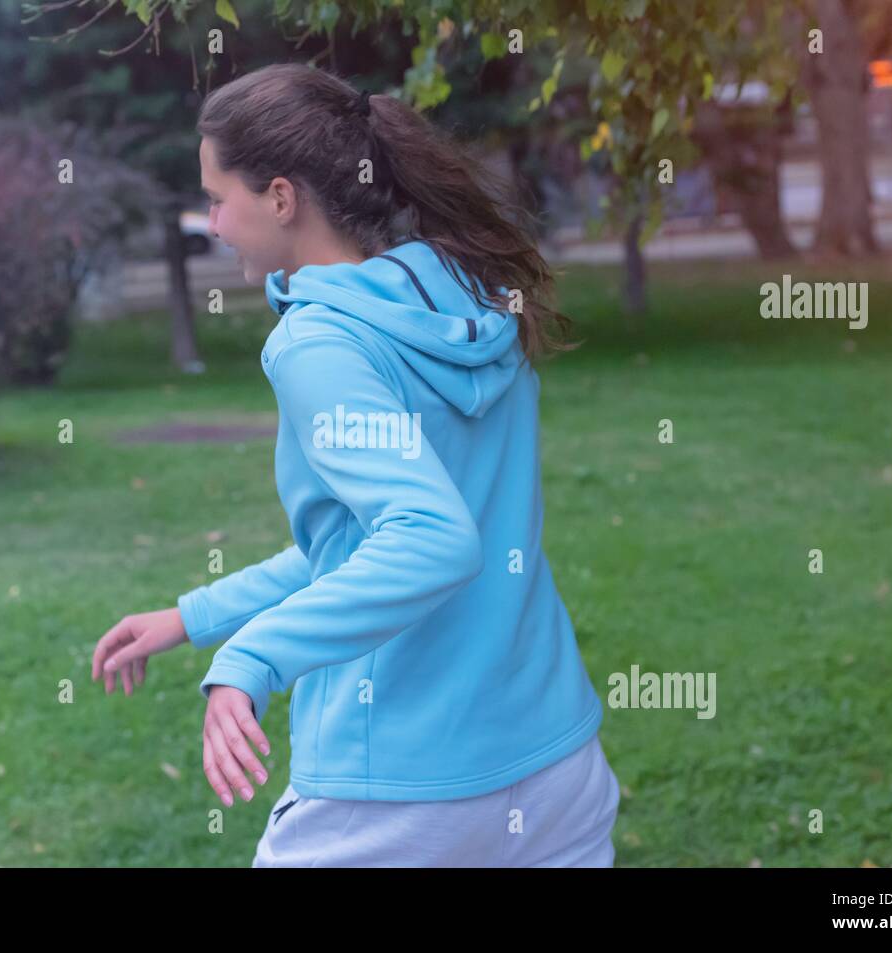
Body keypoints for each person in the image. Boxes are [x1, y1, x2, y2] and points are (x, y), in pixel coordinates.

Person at [91, 63, 619, 867]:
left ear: (280, 197)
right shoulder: (466, 298)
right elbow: (367, 545)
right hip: (556, 770)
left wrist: (256, 657)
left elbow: (429, 540)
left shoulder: (319, 344)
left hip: (401, 796)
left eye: (217, 197)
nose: (213, 221)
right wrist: (195, 617)